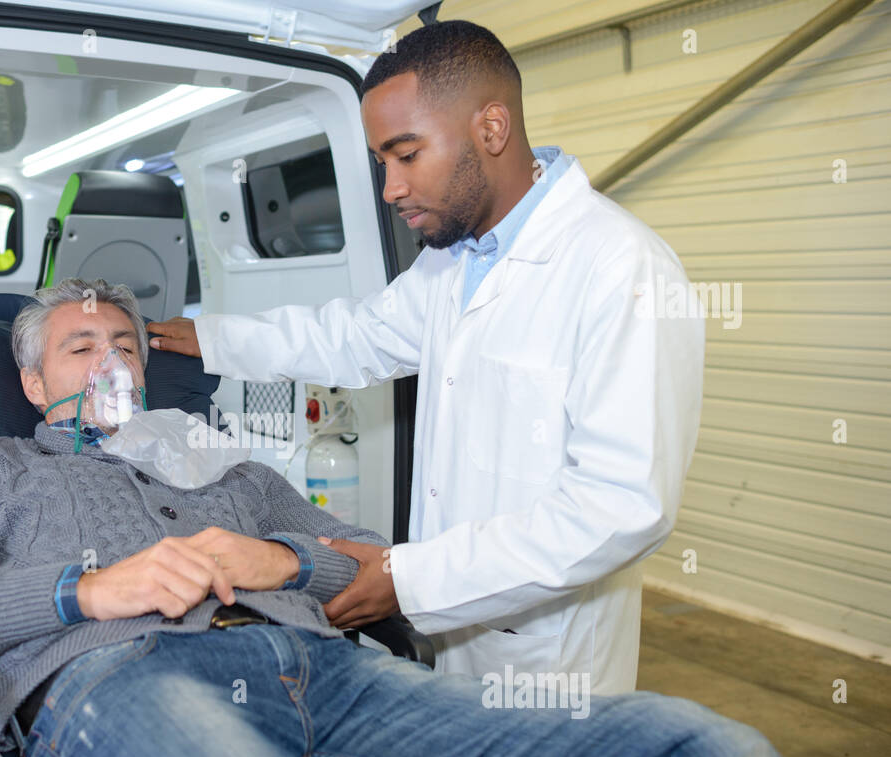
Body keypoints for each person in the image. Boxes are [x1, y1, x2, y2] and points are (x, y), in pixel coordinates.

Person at [0, 280, 815, 757]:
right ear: (31, 385)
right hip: (124, 678)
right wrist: (82, 590)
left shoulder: (237, 470)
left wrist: (285, 558)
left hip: (335, 683)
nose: (113, 362)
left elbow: (369, 563)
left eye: (128, 347)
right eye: (81, 346)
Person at [147, 20, 705, 695]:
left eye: (406, 155)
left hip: (547, 666)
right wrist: (211, 338)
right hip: (452, 641)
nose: (390, 187)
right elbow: (350, 337)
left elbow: (620, 506)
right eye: (383, 161)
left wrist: (409, 578)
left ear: (491, 130)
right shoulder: (452, 264)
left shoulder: (622, 269)